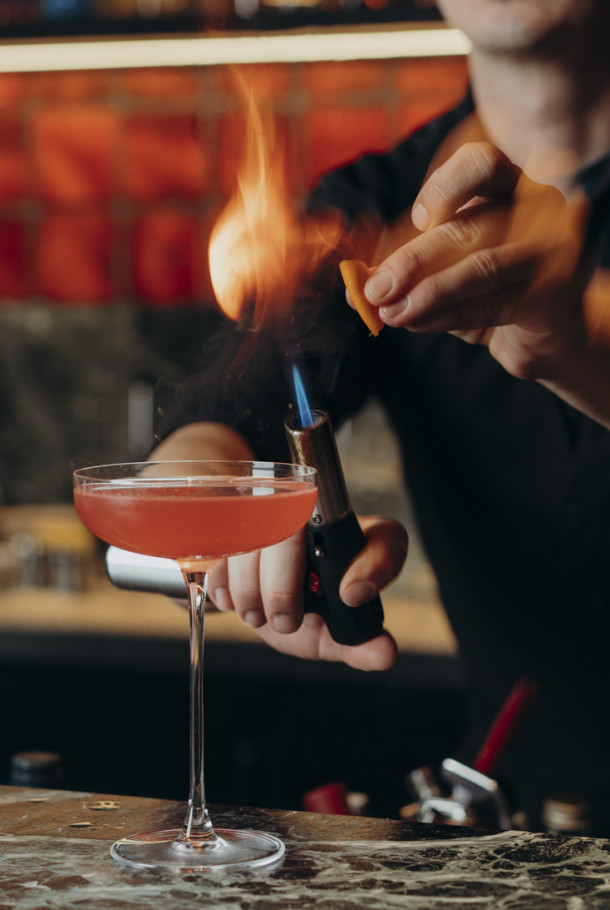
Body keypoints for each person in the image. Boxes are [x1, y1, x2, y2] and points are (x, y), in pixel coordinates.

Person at [152, 0, 610, 833]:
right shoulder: (368, 214)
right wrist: (213, 500)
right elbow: (226, 412)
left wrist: (582, 349)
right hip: (520, 828)